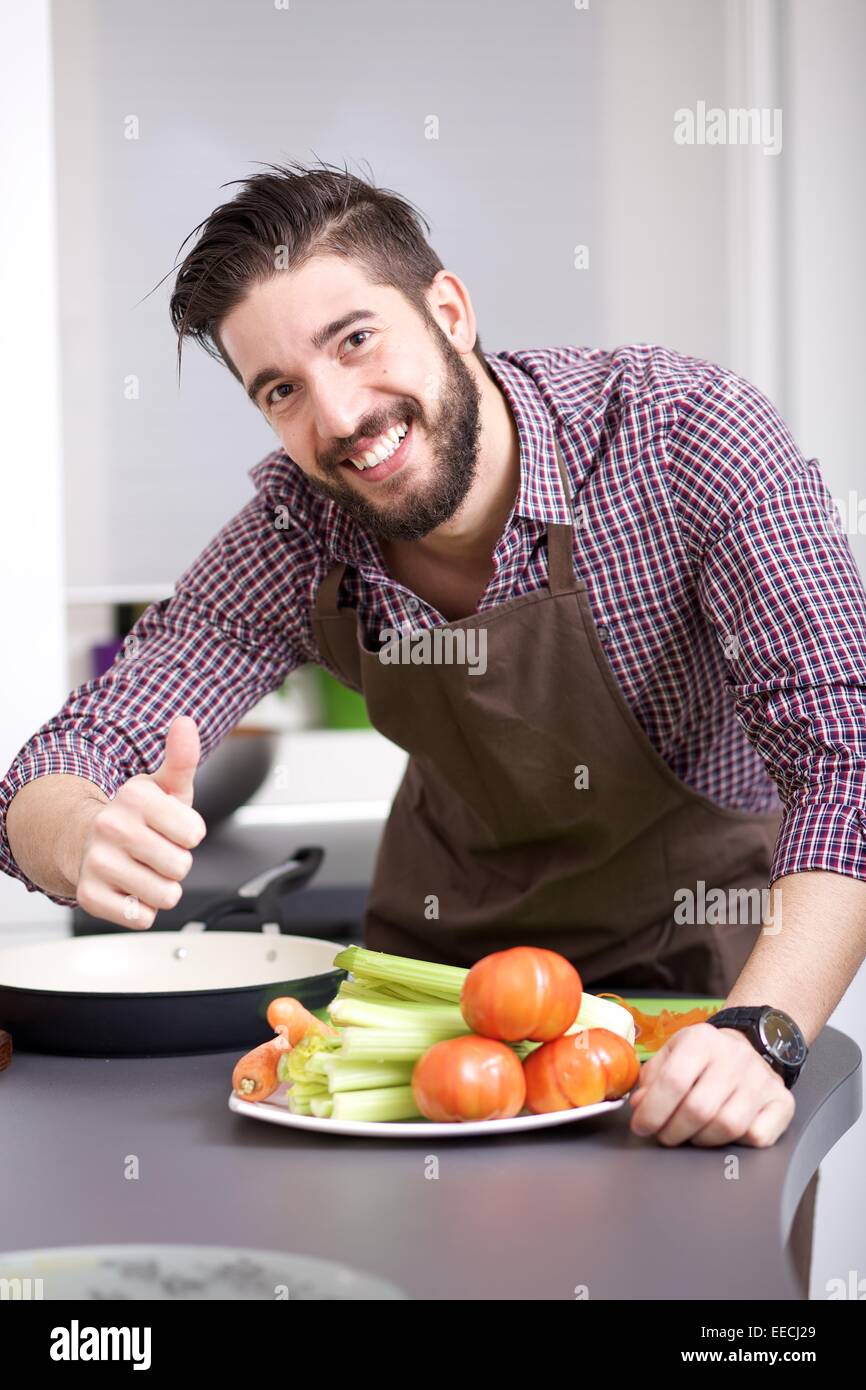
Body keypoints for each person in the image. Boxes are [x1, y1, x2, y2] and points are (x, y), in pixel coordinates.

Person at [2, 165, 862, 1280]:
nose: (338, 417)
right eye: (279, 389)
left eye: (354, 340)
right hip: (431, 1007)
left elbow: (848, 756)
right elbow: (64, 757)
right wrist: (70, 832)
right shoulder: (295, 535)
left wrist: (761, 1031)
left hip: (698, 997)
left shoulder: (679, 436)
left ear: (447, 310)